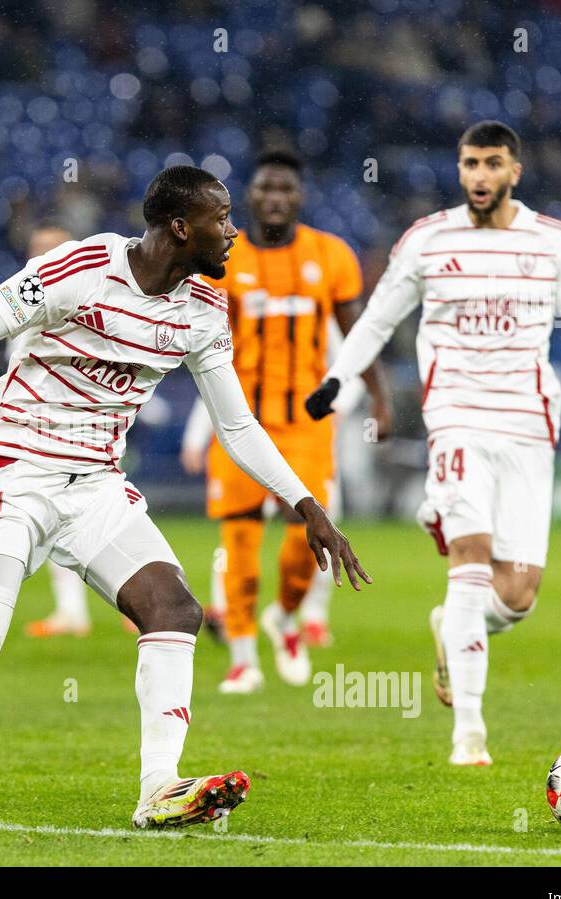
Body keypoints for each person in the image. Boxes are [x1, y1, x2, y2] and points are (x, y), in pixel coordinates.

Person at [0, 166, 372, 829]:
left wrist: (308, 507)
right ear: (181, 228)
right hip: (15, 474)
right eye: (222, 218)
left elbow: (235, 425)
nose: (234, 232)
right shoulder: (79, 268)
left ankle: (160, 789)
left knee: (174, 610)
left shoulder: (203, 309)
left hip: (96, 485)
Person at [306, 121, 561, 766]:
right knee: (469, 567)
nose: (479, 175)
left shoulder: (553, 241)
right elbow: (378, 317)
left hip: (528, 428)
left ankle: (452, 628)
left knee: (518, 594)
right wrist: (336, 380)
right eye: (470, 163)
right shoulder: (428, 239)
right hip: (459, 422)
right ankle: (469, 734)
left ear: (514, 172)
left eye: (492, 163)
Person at [178, 148, 391, 693]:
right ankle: (244, 657)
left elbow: (357, 334)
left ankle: (287, 616)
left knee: (308, 536)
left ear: (300, 196)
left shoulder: (332, 256)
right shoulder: (222, 258)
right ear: (249, 196)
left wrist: (381, 402)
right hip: (240, 422)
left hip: (305, 424)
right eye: (265, 189)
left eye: (285, 190)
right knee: (241, 543)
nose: (275, 199)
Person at [15, 223, 97, 640]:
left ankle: (134, 599)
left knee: (84, 516)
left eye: (51, 249)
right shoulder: (24, 303)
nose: (40, 257)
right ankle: (76, 610)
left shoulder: (81, 304)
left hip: (79, 434)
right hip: (40, 435)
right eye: (36, 249)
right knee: (59, 521)